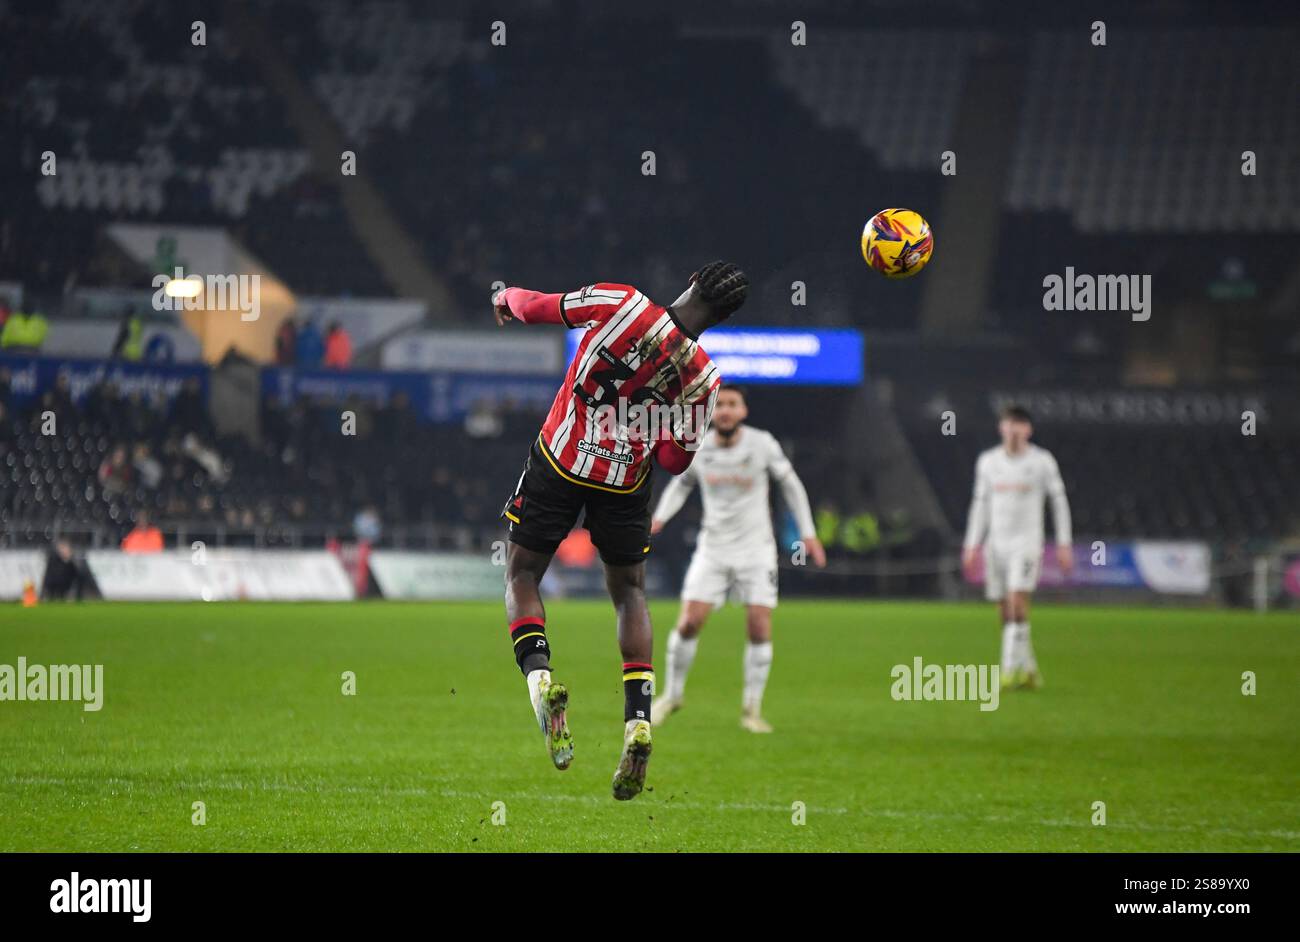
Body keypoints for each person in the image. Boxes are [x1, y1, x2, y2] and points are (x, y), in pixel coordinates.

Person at [493, 261, 748, 800]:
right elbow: (677, 461)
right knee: (630, 592)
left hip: (560, 459)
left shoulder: (621, 302)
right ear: (724, 316)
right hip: (624, 484)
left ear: (693, 279)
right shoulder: (703, 378)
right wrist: (648, 427)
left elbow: (539, 306)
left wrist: (508, 296)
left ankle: (540, 680)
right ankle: (637, 721)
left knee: (521, 573)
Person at [648, 384, 826, 732]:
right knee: (688, 623)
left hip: (756, 550)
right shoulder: (699, 446)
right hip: (713, 548)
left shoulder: (762, 444)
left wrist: (808, 532)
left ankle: (751, 710)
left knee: (759, 627)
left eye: (733, 404)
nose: (726, 410)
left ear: (743, 411)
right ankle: (672, 695)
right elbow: (681, 485)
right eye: (720, 405)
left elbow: (791, 485)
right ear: (712, 412)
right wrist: (660, 517)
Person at [961, 404, 1073, 690]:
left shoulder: (1042, 461)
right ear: (1001, 428)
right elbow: (980, 504)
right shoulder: (987, 462)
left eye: (1020, 424)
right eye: (1009, 423)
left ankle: (1008, 670)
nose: (1014, 429)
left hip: (1026, 543)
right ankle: (1029, 669)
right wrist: (972, 544)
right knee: (1004, 608)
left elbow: (1058, 502)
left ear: (1028, 430)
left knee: (1016, 599)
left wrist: (1064, 543)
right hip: (995, 544)